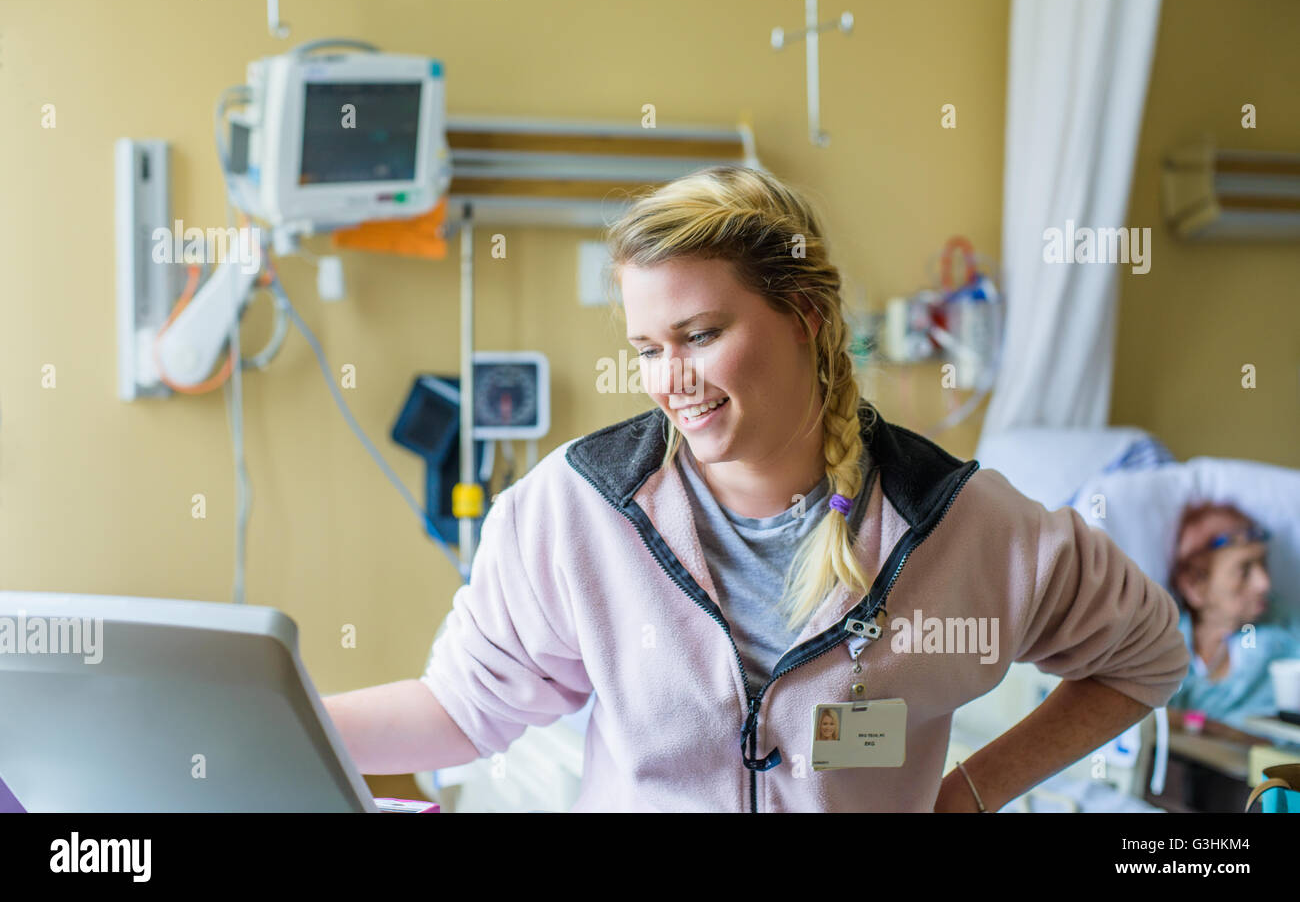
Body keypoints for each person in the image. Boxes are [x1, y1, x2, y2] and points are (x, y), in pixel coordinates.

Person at [323, 165, 1189, 812]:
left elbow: (1147, 655)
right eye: (647, 348)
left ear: (806, 316)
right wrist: (268, 717)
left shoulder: (962, 524)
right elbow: (461, 709)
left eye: (699, 334)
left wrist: (965, 795)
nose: (672, 379)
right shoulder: (575, 508)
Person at [1165, 502, 1300, 745]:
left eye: (1263, 564)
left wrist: (1201, 726)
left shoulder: (1287, 630)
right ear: (1194, 585)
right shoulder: (1163, 647)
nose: (1264, 583)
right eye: (1244, 570)